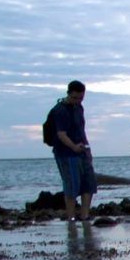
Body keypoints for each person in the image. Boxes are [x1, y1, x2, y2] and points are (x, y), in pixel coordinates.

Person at [49, 80, 96, 222]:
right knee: (71, 186)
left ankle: (85, 215)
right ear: (68, 93)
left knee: (89, 184)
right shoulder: (60, 110)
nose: (77, 100)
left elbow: (81, 130)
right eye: (75, 97)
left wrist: (87, 150)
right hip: (66, 154)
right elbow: (61, 134)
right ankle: (71, 217)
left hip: (83, 151)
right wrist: (74, 147)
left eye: (81, 98)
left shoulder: (79, 108)